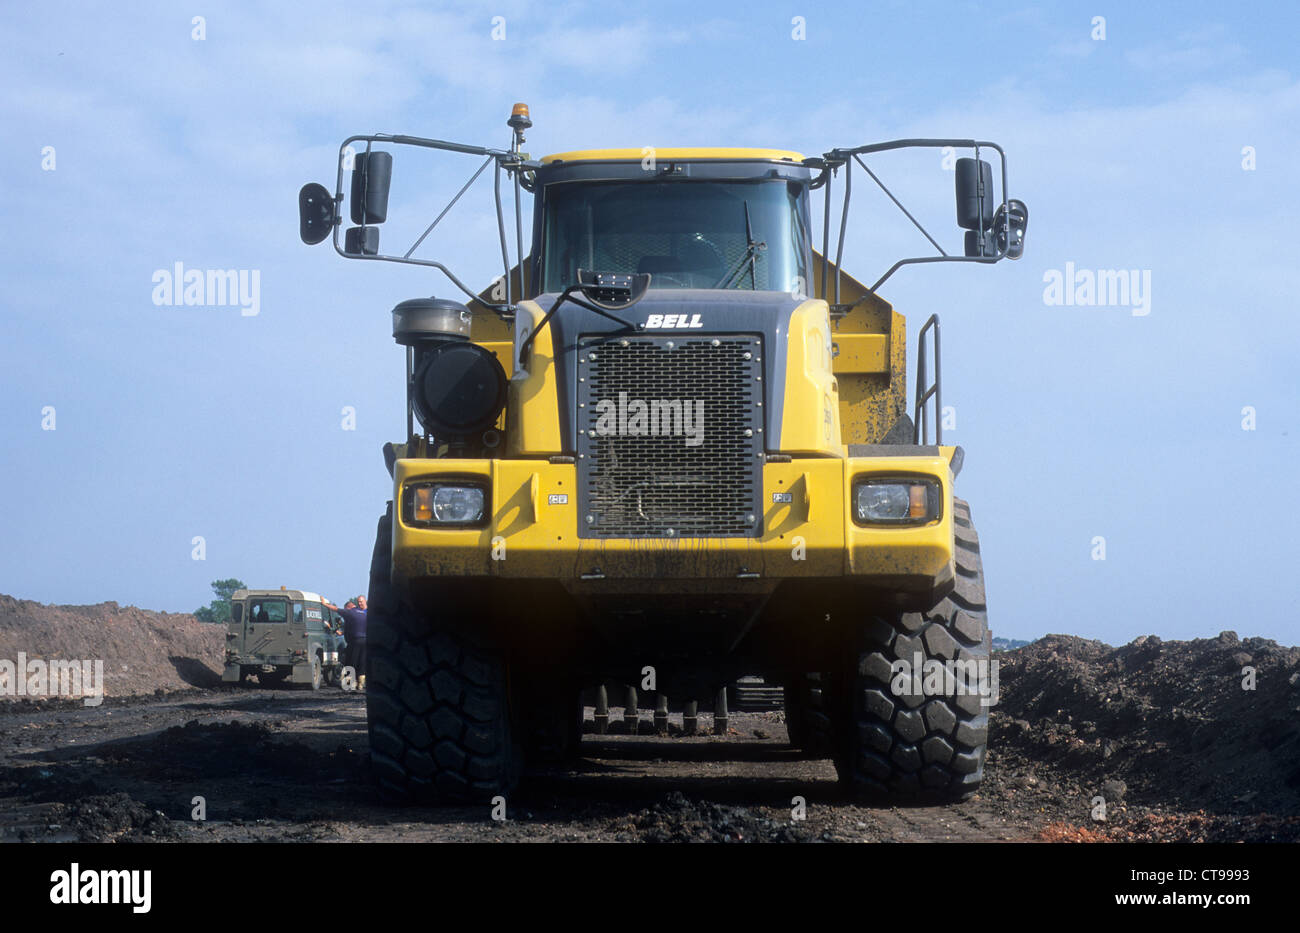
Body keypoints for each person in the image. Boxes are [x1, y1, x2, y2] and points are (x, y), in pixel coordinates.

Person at [324, 596, 367, 690]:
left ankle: (349, 684)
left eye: (361, 602)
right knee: (362, 662)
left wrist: (325, 604)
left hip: (354, 641)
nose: (360, 603)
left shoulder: (351, 612)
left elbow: (335, 609)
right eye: (359, 602)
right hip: (365, 641)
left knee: (350, 662)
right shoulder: (367, 614)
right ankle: (360, 684)